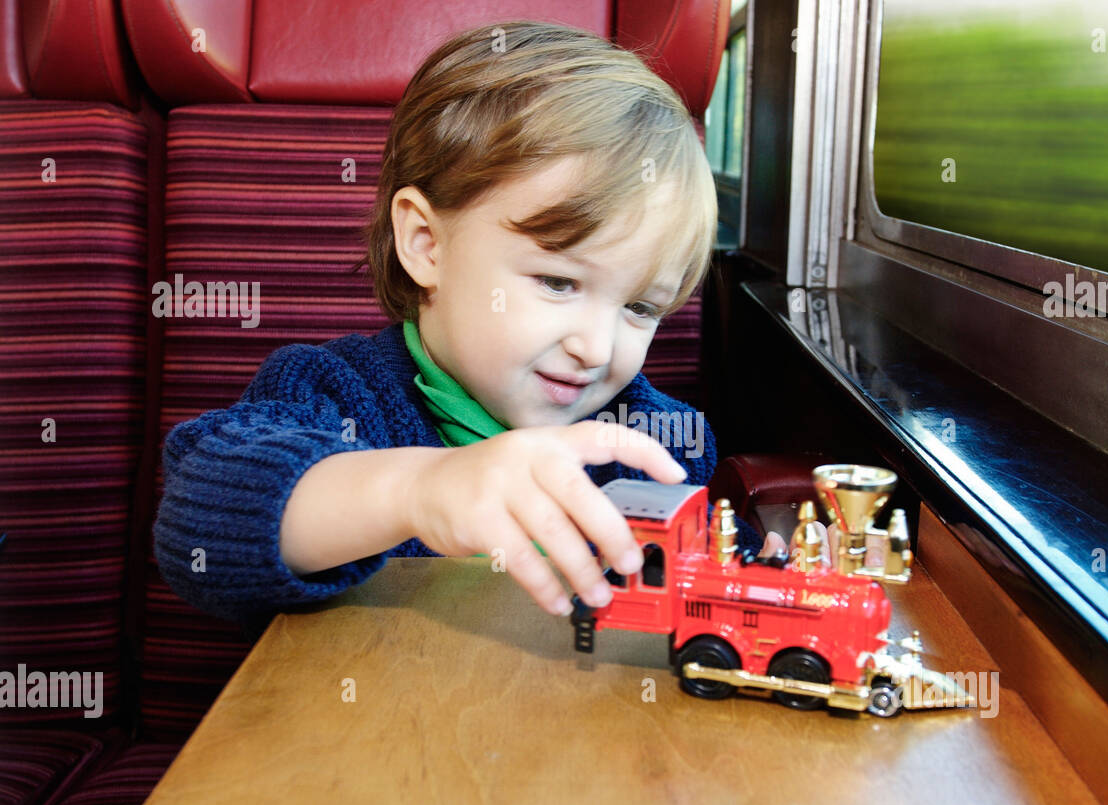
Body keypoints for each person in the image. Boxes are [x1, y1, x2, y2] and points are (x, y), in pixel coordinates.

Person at [153, 20, 801, 640]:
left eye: (640, 309)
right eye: (557, 283)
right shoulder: (332, 394)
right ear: (427, 245)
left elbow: (693, 563)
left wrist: (751, 573)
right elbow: (196, 521)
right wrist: (420, 491)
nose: (596, 349)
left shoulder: (659, 442)